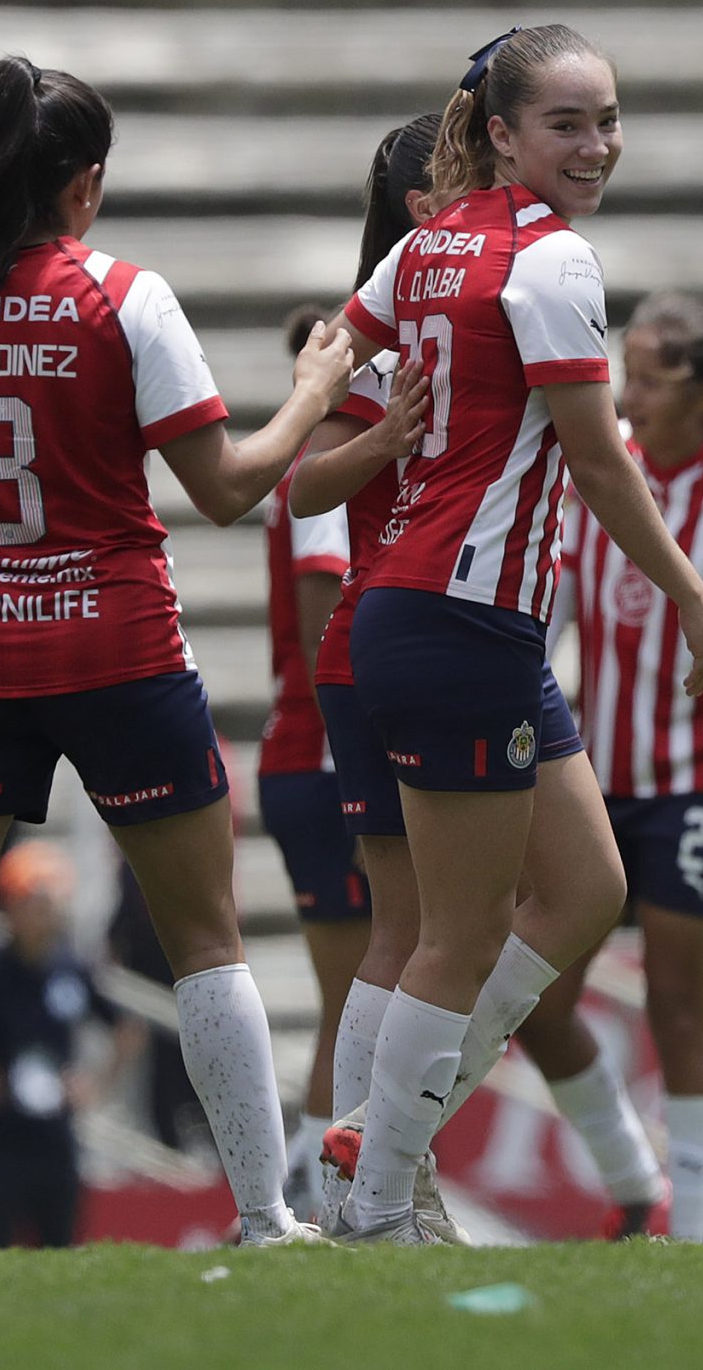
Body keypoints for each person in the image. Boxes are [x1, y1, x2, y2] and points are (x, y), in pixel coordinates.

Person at [0, 57, 349, 1252]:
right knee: (206, 934)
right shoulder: (126, 299)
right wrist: (314, 387)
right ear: (85, 186)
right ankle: (265, 1214)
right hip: (118, 649)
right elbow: (225, 490)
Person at [320, 25, 703, 1244]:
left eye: (607, 120)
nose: (595, 145)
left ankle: (381, 1136)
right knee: (454, 934)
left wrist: (305, 445)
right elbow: (600, 463)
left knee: (588, 887)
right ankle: (378, 1195)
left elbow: (338, 351)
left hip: (445, 616)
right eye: (566, 123)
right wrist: (693, 598)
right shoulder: (553, 264)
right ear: (499, 133)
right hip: (462, 617)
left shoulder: (424, 250)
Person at [514, 290, 703, 1242]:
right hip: (596, 783)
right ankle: (634, 1179)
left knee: (678, 1009)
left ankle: (692, 1242)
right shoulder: (599, 468)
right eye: (625, 372)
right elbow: (552, 615)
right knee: (536, 1002)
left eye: (649, 377)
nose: (628, 393)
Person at [284, 114, 439, 1224]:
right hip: (399, 646)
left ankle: (365, 1179)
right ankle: (369, 1173)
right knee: (437, 931)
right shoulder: (369, 336)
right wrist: (384, 438)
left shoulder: (468, 304)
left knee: (432, 930)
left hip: (427, 639)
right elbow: (303, 494)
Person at [255, 304, 372, 1212]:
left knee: (361, 990)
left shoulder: (313, 464)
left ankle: (316, 1179)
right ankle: (316, 1189)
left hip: (307, 753)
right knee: (357, 991)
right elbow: (321, 612)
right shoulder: (322, 469)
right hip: (325, 755)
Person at [0, 840, 145, 1249]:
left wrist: (94, 1085)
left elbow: (127, 1029)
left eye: (53, 900)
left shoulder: (73, 969)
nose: (47, 911)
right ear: (11, 906)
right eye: (35, 900)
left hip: (57, 1135)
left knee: (60, 1244)